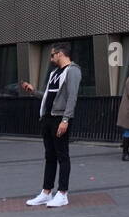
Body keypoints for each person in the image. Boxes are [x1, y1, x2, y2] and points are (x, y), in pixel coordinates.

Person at [19, 41, 82, 207]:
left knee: (62, 155)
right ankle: (46, 192)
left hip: (60, 119)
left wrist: (66, 120)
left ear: (61, 54)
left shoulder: (73, 71)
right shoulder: (54, 73)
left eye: (52, 55)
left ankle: (62, 194)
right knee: (50, 156)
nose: (51, 58)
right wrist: (33, 91)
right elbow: (48, 96)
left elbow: (72, 97)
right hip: (47, 118)